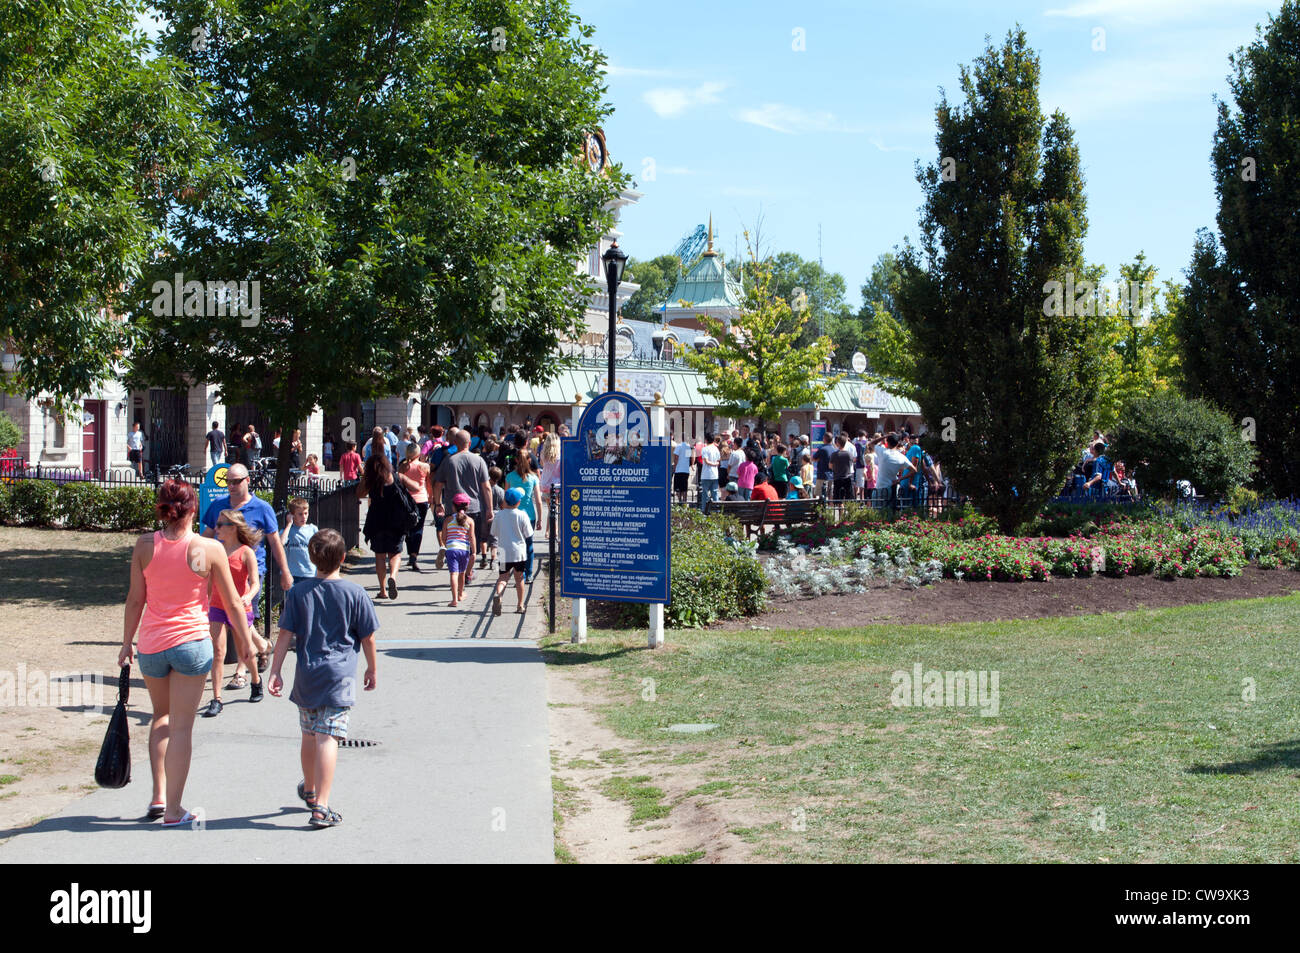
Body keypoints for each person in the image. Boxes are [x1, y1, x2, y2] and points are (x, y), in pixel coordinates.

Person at [120, 480, 251, 825]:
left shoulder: (144, 545)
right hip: (192, 643)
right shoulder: (208, 548)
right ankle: (175, 809)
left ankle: (158, 796)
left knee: (160, 717)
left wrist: (125, 643)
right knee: (181, 728)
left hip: (151, 645)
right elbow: (234, 602)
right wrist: (248, 646)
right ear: (193, 508)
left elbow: (136, 599)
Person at [268, 529, 379, 829]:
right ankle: (322, 806)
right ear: (343, 558)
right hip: (339, 677)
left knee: (308, 734)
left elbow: (284, 636)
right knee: (328, 737)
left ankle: (310, 787)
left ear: (310, 557)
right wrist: (372, 668)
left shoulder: (298, 594)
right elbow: (367, 637)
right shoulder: (355, 594)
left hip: (307, 674)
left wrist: (275, 670)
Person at [200, 462, 291, 684]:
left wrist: (285, 571)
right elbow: (206, 538)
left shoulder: (262, 508)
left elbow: (275, 542)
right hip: (221, 573)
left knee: (241, 622)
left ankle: (241, 672)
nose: (231, 485)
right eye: (228, 481)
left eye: (236, 481)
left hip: (250, 572)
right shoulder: (218, 508)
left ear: (247, 480)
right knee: (235, 622)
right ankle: (262, 645)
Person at [204, 508, 266, 716]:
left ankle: (256, 681)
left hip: (240, 607)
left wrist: (248, 597)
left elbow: (255, 583)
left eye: (221, 525)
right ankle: (216, 698)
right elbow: (210, 581)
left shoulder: (246, 552)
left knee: (245, 651)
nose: (216, 528)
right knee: (218, 651)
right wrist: (205, 601)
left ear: (233, 528)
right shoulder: (216, 550)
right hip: (217, 606)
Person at [430, 429, 494, 576]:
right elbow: (486, 487)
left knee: (454, 541)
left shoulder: (449, 461)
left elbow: (437, 484)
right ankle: (468, 572)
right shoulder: (479, 460)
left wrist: (438, 504)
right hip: (474, 508)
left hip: (452, 508)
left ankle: (457, 569)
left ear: (454, 443)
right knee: (472, 542)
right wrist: (490, 508)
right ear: (469, 443)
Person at [357, 452, 406, 599]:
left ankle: (383, 590)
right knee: (395, 554)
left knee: (379, 556)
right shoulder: (396, 478)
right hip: (395, 521)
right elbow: (415, 487)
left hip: (377, 521)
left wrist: (365, 477)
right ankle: (393, 576)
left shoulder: (372, 480)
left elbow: (359, 494)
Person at [491, 488, 532, 616]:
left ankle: (499, 596)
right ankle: (520, 605)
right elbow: (528, 534)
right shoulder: (522, 515)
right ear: (518, 502)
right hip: (519, 552)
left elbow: (494, 533)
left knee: (503, 577)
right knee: (519, 578)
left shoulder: (499, 515)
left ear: (504, 501)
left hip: (503, 551)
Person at [506, 449, 542, 581]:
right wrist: (539, 519)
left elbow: (506, 499)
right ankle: (529, 574)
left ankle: (518, 573)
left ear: (515, 460)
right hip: (529, 516)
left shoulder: (509, 477)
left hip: (513, 515)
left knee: (515, 544)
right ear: (529, 460)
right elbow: (538, 500)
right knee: (529, 545)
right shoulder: (533, 478)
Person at [439, 493, 477, 607]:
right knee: (462, 573)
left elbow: (443, 537)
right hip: (464, 550)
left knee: (453, 574)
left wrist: (446, 545)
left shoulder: (448, 520)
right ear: (467, 507)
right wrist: (473, 551)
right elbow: (471, 537)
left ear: (453, 506)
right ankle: (461, 594)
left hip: (451, 550)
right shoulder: (470, 521)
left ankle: (454, 599)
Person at [398, 444, 430, 572]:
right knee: (419, 528)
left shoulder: (403, 466)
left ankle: (410, 551)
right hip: (421, 499)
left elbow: (399, 483)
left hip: (407, 500)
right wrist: (431, 497)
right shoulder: (425, 466)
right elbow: (428, 484)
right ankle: (414, 555)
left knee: (407, 528)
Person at [281, 497, 318, 586]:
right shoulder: (288, 531)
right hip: (292, 573)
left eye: (306, 513)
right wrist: (289, 524)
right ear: (292, 515)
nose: (304, 517)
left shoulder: (313, 529)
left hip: (309, 573)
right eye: (300, 514)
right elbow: (281, 543)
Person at [538, 433, 561, 536]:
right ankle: (554, 531)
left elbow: (542, 464)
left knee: (550, 509)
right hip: (556, 485)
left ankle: (547, 531)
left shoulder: (543, 454)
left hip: (545, 485)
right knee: (556, 509)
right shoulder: (560, 455)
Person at [698, 434, 721, 511]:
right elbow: (718, 462)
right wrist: (715, 464)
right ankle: (716, 510)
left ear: (706, 440)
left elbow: (706, 461)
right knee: (715, 494)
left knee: (705, 494)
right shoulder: (716, 449)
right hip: (715, 474)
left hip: (706, 474)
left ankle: (704, 510)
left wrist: (712, 464)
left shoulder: (705, 449)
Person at [831, 434, 854, 502]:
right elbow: (851, 463)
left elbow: (830, 465)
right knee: (848, 499)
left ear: (837, 443)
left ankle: (841, 512)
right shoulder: (849, 454)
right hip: (847, 477)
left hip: (837, 477)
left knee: (838, 500)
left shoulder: (834, 454)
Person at [673, 434, 693, 504]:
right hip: (686, 470)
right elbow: (689, 457)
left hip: (679, 469)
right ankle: (684, 501)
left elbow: (676, 458)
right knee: (684, 488)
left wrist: (675, 467)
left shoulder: (679, 446)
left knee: (677, 488)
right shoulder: (688, 447)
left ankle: (680, 501)